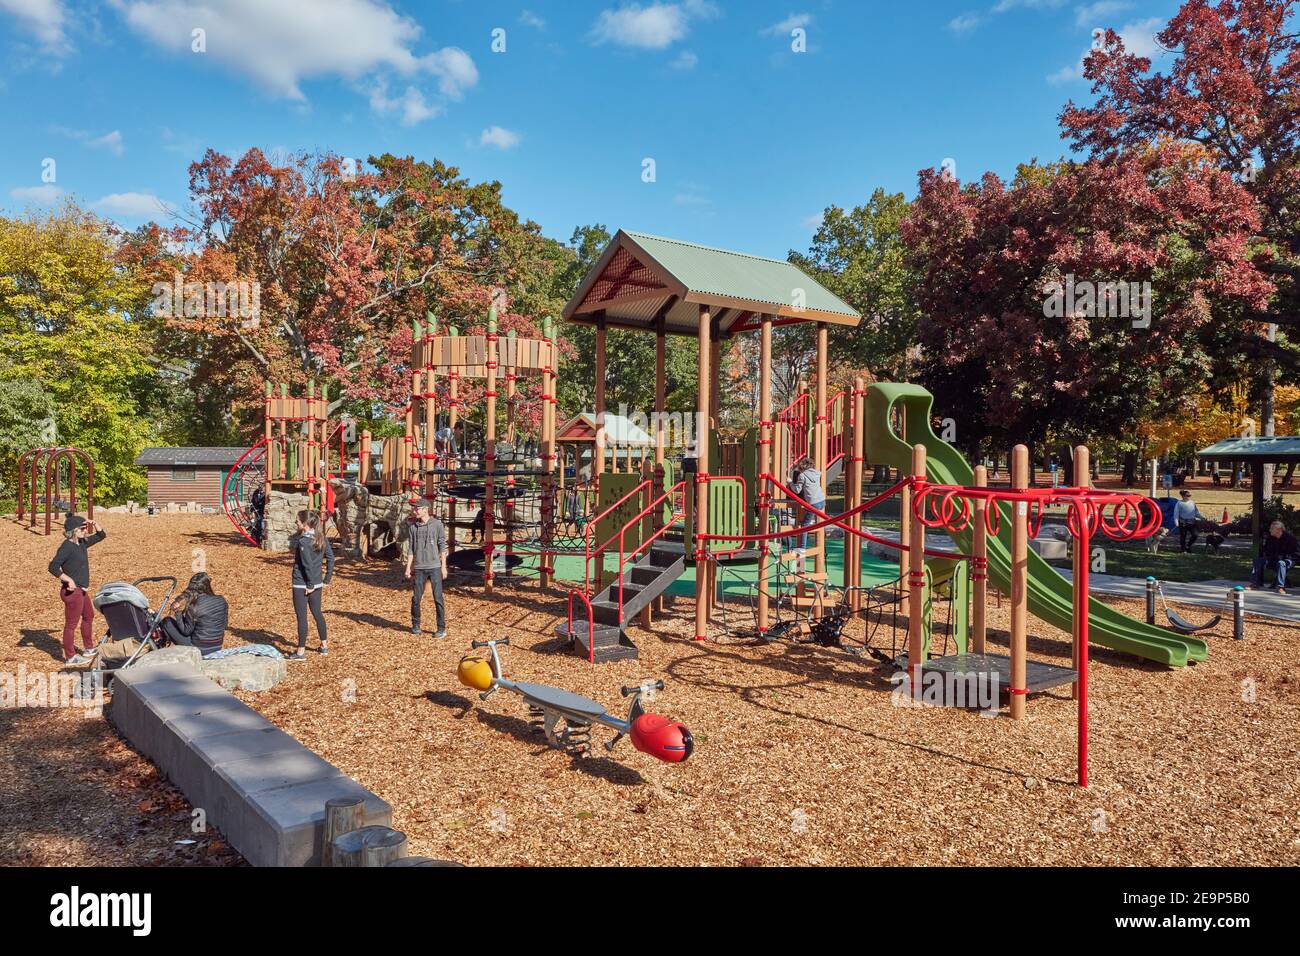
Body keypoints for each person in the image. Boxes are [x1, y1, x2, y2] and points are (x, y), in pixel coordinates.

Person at [47, 514, 106, 665]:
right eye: (82, 528)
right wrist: (68, 579)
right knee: (71, 625)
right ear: (74, 531)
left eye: (85, 527)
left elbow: (101, 535)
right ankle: (70, 657)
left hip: (82, 590)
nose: (86, 530)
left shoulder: (82, 543)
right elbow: (53, 566)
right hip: (73, 592)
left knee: (88, 616)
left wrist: (94, 522)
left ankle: (88, 648)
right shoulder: (67, 547)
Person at [289, 510, 334, 660]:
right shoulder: (321, 538)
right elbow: (331, 559)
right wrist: (326, 579)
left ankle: (301, 652)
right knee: (318, 614)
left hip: (303, 584)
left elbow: (307, 564)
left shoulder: (303, 542)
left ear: (305, 524)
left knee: (302, 617)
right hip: (317, 583)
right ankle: (324, 646)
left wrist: (309, 584)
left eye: (298, 521)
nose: (296, 522)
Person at [406, 498, 448, 637]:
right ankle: (416, 625)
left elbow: (442, 546)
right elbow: (411, 549)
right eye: (414, 508)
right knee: (416, 598)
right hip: (419, 568)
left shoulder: (437, 525)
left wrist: (443, 567)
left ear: (425, 509)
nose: (414, 510)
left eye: (417, 508)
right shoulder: (413, 527)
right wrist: (408, 568)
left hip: (435, 567)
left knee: (438, 598)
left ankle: (441, 628)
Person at [159, 572, 229, 656]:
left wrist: (178, 612)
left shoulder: (194, 606)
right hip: (217, 645)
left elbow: (186, 631)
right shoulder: (222, 600)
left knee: (167, 622)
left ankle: (162, 644)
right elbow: (224, 625)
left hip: (199, 649)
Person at [790, 456, 825, 554]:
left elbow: (797, 490)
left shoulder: (802, 476)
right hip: (822, 501)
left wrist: (790, 483)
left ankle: (802, 547)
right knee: (808, 519)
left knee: (804, 525)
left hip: (813, 503)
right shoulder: (817, 473)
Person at [1252, 520, 1299, 592]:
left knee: (1281, 563)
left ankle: (1280, 587)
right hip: (1273, 559)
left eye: (1272, 528)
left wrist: (1284, 558)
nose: (1269, 530)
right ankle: (1255, 583)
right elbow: (1266, 550)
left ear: (1278, 530)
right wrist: (1267, 558)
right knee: (1258, 560)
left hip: (1288, 560)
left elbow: (1296, 553)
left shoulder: (1291, 539)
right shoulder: (1270, 538)